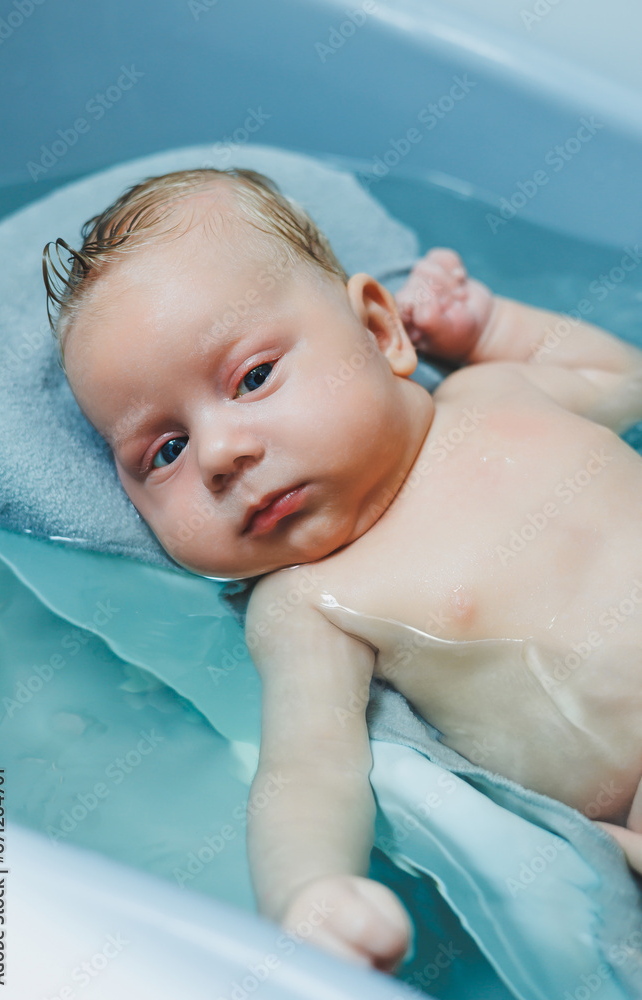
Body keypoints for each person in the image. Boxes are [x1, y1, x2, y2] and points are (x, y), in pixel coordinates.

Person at [43, 167, 642, 974]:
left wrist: (492, 326)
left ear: (379, 330)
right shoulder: (310, 602)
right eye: (166, 449)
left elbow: (625, 380)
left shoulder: (500, 391)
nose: (219, 454)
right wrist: (310, 892)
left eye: (253, 377)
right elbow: (308, 768)